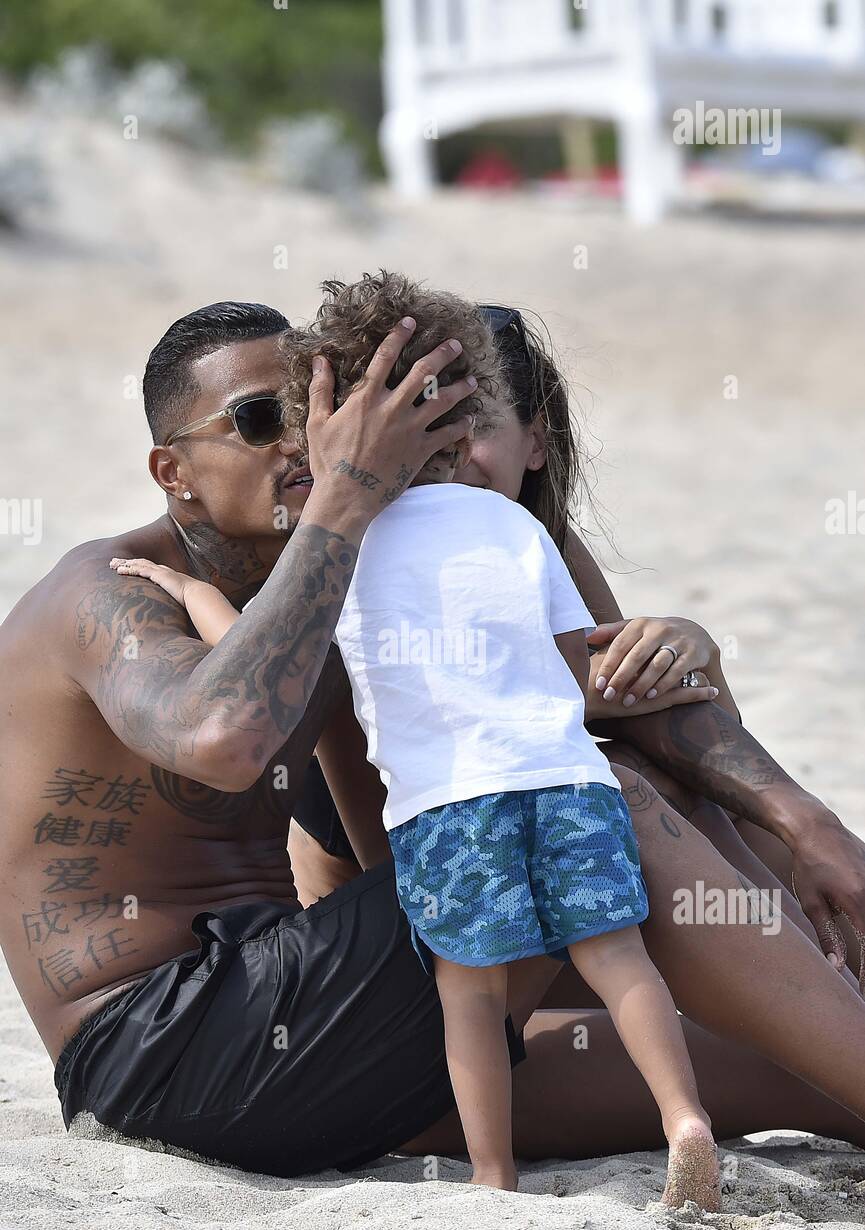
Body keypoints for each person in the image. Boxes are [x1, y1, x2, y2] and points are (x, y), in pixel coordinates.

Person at [3, 296, 865, 1182]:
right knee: (601, 802)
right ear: (171, 469)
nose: (302, 444)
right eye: (262, 421)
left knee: (788, 1068)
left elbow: (479, 785)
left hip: (318, 1034)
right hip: (159, 1049)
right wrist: (344, 500)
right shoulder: (107, 591)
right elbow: (224, 738)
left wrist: (800, 815)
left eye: (315, 408)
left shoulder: (346, 566)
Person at [112, 274, 721, 1207]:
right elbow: (571, 669)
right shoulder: (516, 525)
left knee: (467, 996)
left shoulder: (345, 537)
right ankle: (684, 1116)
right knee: (616, 953)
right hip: (567, 784)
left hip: (448, 809)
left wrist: (190, 593)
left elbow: (260, 648)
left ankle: (492, 1172)